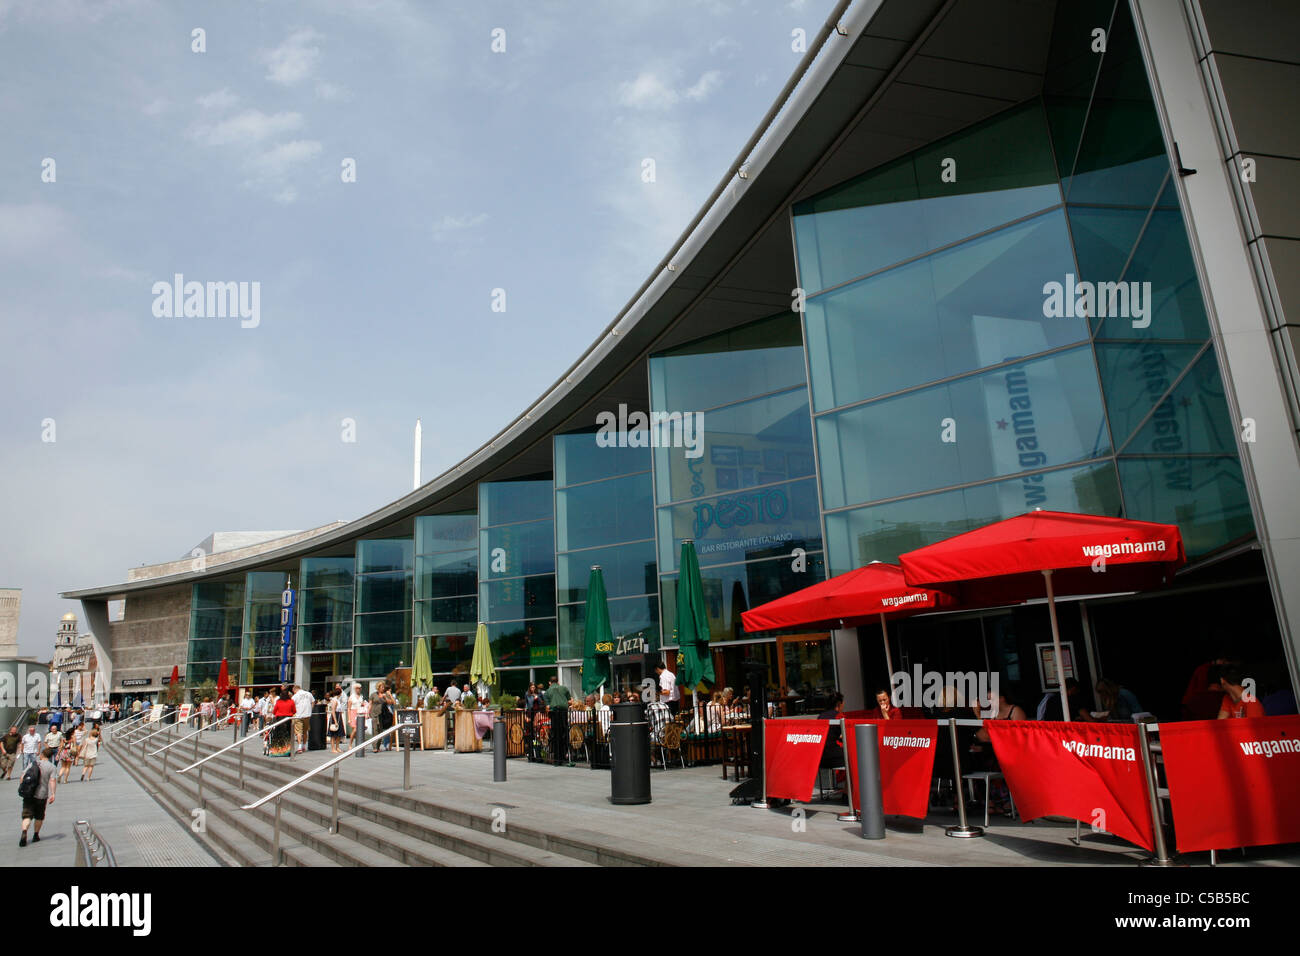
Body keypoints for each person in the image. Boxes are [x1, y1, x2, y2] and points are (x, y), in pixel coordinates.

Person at [19, 747, 58, 847]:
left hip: (29, 794)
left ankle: (24, 831)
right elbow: (52, 781)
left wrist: (24, 787)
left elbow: (22, 777)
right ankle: (36, 835)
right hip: (42, 795)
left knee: (27, 815)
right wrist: (53, 794)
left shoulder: (33, 763)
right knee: (39, 816)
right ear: (50, 756)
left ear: (42, 755)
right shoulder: (52, 767)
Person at [267, 688, 296, 757]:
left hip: (279, 720)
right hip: (288, 720)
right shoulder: (291, 701)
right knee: (288, 736)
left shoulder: (278, 701)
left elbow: (274, 711)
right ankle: (287, 751)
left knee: (278, 736)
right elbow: (294, 711)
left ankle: (277, 751)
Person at [291, 683, 314, 754]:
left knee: (298, 732)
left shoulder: (295, 696)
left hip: (298, 715)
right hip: (307, 715)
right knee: (305, 731)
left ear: (295, 690)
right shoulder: (308, 694)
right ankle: (304, 746)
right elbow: (313, 702)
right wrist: (310, 709)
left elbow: (292, 705)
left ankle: (299, 747)